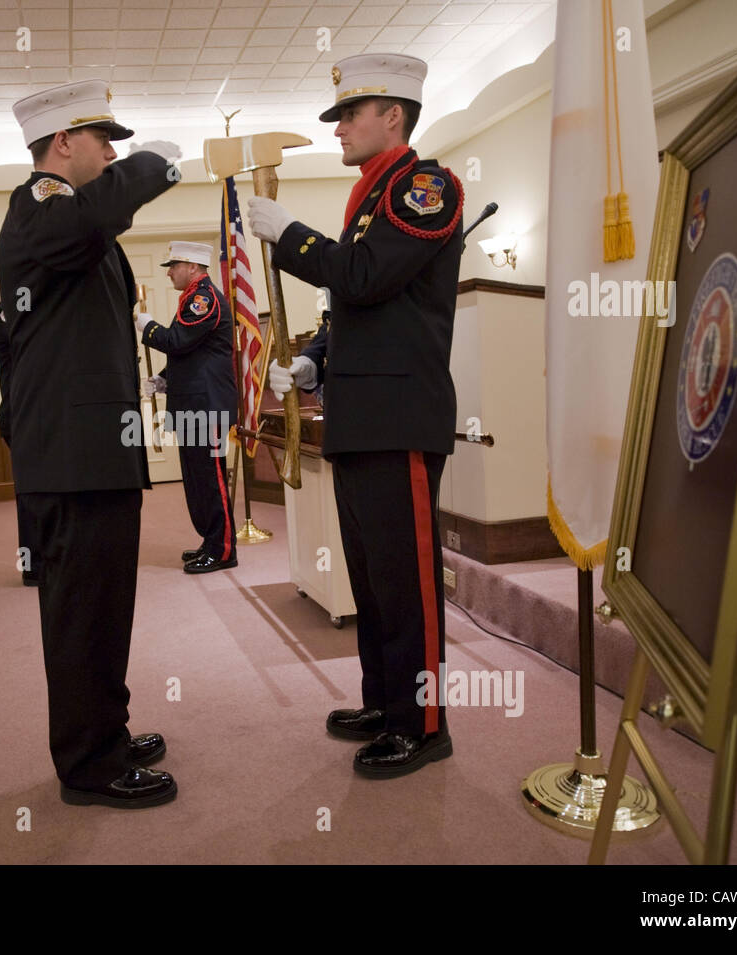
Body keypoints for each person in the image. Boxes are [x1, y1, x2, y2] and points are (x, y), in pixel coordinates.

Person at [249, 53, 463, 778]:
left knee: (407, 581)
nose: (338, 127)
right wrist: (319, 360)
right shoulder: (371, 197)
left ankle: (424, 722)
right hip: (360, 410)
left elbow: (366, 274)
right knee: (372, 576)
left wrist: (290, 236)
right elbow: (369, 306)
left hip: (399, 416)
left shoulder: (426, 187)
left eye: (350, 113)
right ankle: (386, 701)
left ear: (393, 116)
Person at [0, 79, 182, 808]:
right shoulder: (38, 208)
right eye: (103, 139)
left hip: (93, 450)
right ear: (60, 143)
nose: (113, 152)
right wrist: (157, 164)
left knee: (105, 605)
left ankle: (106, 728)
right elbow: (96, 215)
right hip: (72, 458)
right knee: (80, 613)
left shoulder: (74, 223)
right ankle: (87, 762)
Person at [137, 241, 237, 573]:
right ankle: (210, 541)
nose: (169, 273)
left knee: (211, 479)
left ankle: (223, 550)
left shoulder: (202, 298)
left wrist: (147, 326)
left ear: (193, 267)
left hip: (206, 407)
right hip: (193, 403)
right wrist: (165, 379)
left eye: (173, 266)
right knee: (197, 480)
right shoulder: (192, 298)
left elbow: (177, 341)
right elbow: (192, 353)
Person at [0, 256, 37, 587]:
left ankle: (43, 563)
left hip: (26, 413)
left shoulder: (15, 310)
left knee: (38, 493)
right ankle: (35, 566)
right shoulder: (9, 315)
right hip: (22, 415)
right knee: (33, 495)